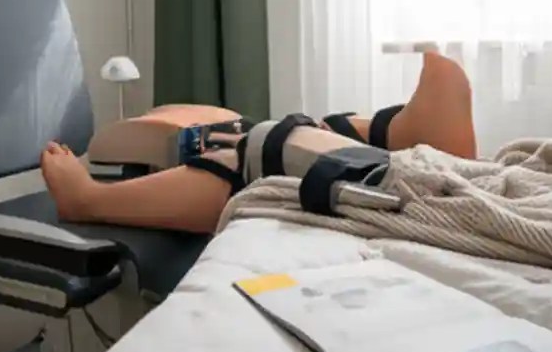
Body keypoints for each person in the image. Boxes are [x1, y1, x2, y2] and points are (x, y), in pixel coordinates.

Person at [40, 52, 477, 234]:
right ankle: (88, 200)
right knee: (277, 143)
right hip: (393, 178)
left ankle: (401, 137)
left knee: (279, 140)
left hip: (385, 185)